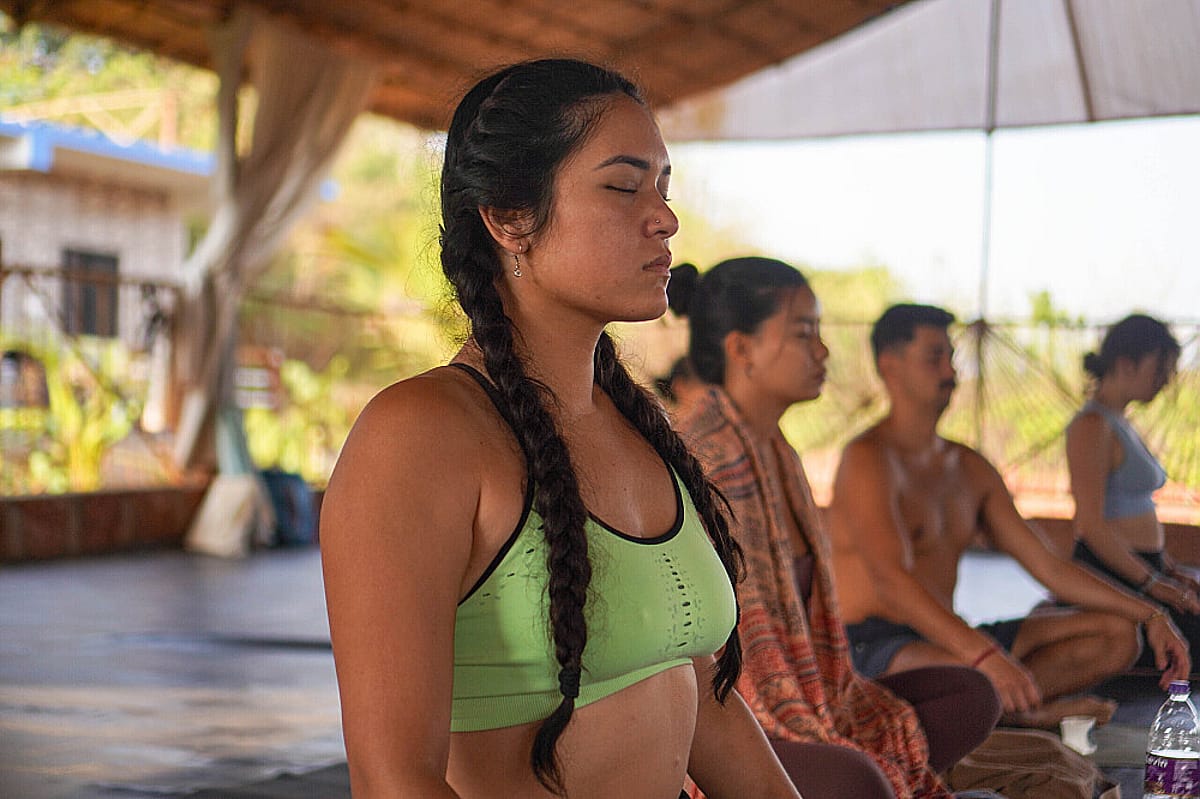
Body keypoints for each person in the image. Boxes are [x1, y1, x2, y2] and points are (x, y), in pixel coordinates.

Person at [319, 60, 802, 799]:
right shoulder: (420, 436)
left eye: (665, 186)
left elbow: (701, 691)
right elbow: (393, 780)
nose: (665, 216)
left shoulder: (640, 428)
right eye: (623, 185)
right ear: (510, 217)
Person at [671, 259, 1000, 799]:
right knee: (858, 779)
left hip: (814, 697)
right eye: (804, 334)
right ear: (742, 349)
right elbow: (701, 664)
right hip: (728, 724)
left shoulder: (779, 453)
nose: (822, 352)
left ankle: (849, 766)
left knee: (971, 695)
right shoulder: (703, 459)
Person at [829, 303, 1190, 729]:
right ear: (890, 366)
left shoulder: (968, 466)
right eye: (934, 358)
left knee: (1117, 635)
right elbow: (893, 585)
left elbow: (1049, 565)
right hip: (875, 641)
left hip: (948, 635)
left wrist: (1150, 614)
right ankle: (1019, 712)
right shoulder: (867, 459)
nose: (951, 371)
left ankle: (998, 709)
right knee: (968, 675)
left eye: (952, 357)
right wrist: (985, 657)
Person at [1064, 314, 1200, 671]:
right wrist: (1153, 583)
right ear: (1126, 364)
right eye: (1159, 371)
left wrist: (1170, 569)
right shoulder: (1091, 427)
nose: (1165, 382)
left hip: (1144, 568)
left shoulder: (1119, 421)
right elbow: (1090, 526)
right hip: (1113, 574)